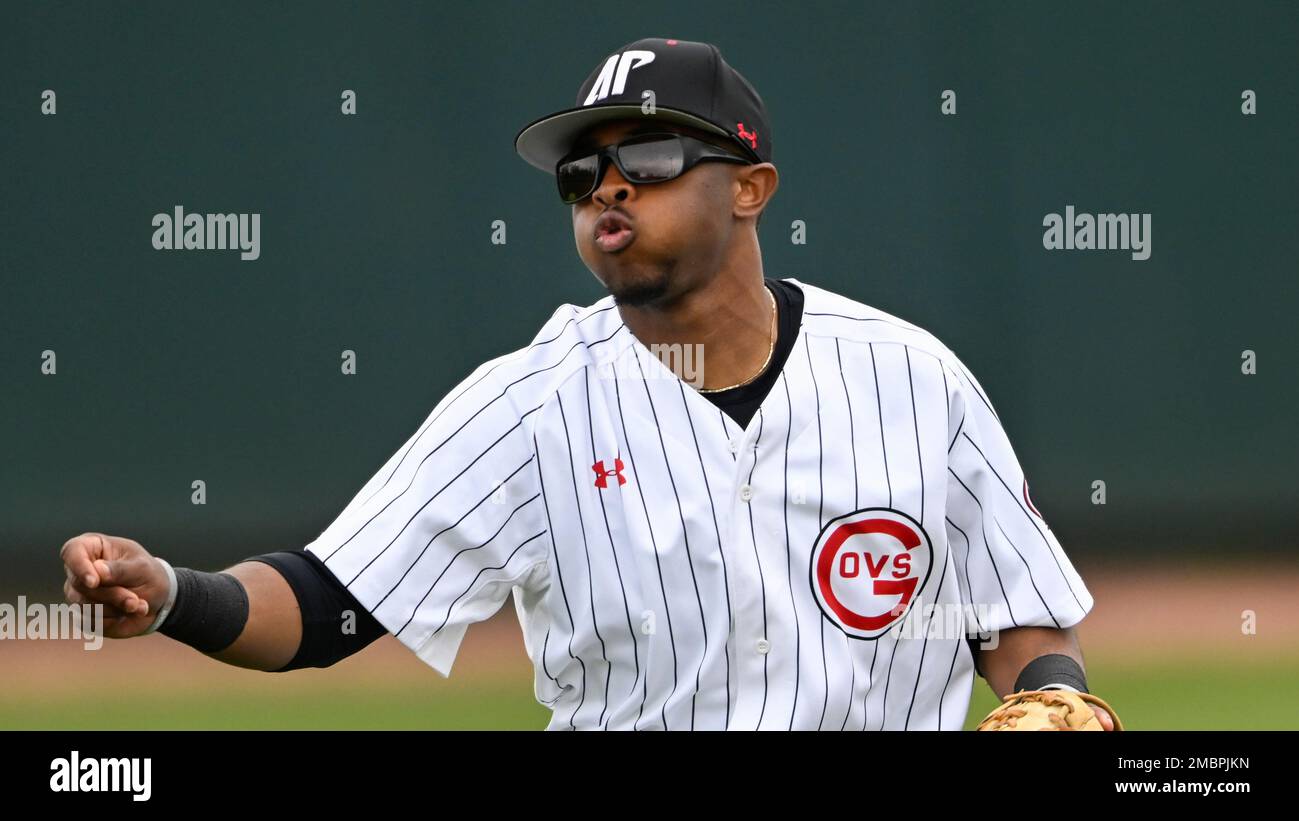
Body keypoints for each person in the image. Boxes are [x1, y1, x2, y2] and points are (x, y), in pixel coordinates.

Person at [58, 37, 1112, 730]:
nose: (608, 184)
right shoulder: (527, 406)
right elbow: (331, 601)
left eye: (648, 155)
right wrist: (172, 593)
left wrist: (1053, 693)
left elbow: (1008, 610)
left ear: (750, 187)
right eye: (581, 171)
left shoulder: (910, 378)